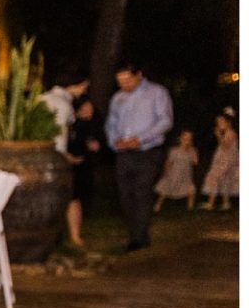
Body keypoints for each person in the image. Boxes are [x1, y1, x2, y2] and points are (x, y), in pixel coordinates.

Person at [105, 60, 173, 252]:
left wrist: (141, 139)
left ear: (138, 76)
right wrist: (114, 141)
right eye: (120, 81)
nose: (124, 85)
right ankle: (135, 231)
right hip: (124, 153)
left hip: (148, 151)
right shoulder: (118, 98)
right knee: (126, 194)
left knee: (142, 192)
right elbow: (111, 122)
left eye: (128, 81)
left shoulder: (157, 93)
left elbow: (165, 121)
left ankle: (138, 237)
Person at [64, 94, 104, 247]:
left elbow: (99, 143)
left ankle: (75, 235)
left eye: (90, 107)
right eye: (84, 108)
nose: (88, 111)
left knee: (76, 199)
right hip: (69, 165)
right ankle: (71, 235)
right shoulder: (71, 125)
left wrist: (95, 148)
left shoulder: (95, 124)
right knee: (70, 198)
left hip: (84, 166)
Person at [40, 69, 88, 155]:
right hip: (48, 154)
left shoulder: (43, 97)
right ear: (73, 85)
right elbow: (60, 134)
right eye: (83, 87)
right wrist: (64, 156)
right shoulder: (63, 104)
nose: (84, 91)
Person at [199, 109, 238, 211]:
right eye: (217, 122)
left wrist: (218, 135)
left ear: (228, 123)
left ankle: (210, 203)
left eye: (221, 122)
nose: (218, 124)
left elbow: (225, 146)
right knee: (224, 181)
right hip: (223, 160)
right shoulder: (227, 133)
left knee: (214, 178)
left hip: (225, 162)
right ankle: (226, 203)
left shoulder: (231, 133)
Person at [153, 130, 198, 212]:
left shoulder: (192, 150)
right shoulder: (174, 150)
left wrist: (191, 149)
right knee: (165, 189)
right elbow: (168, 162)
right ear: (180, 139)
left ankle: (190, 209)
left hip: (186, 175)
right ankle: (157, 205)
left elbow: (195, 162)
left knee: (191, 190)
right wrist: (166, 172)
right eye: (185, 138)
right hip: (174, 173)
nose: (186, 140)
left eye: (189, 138)